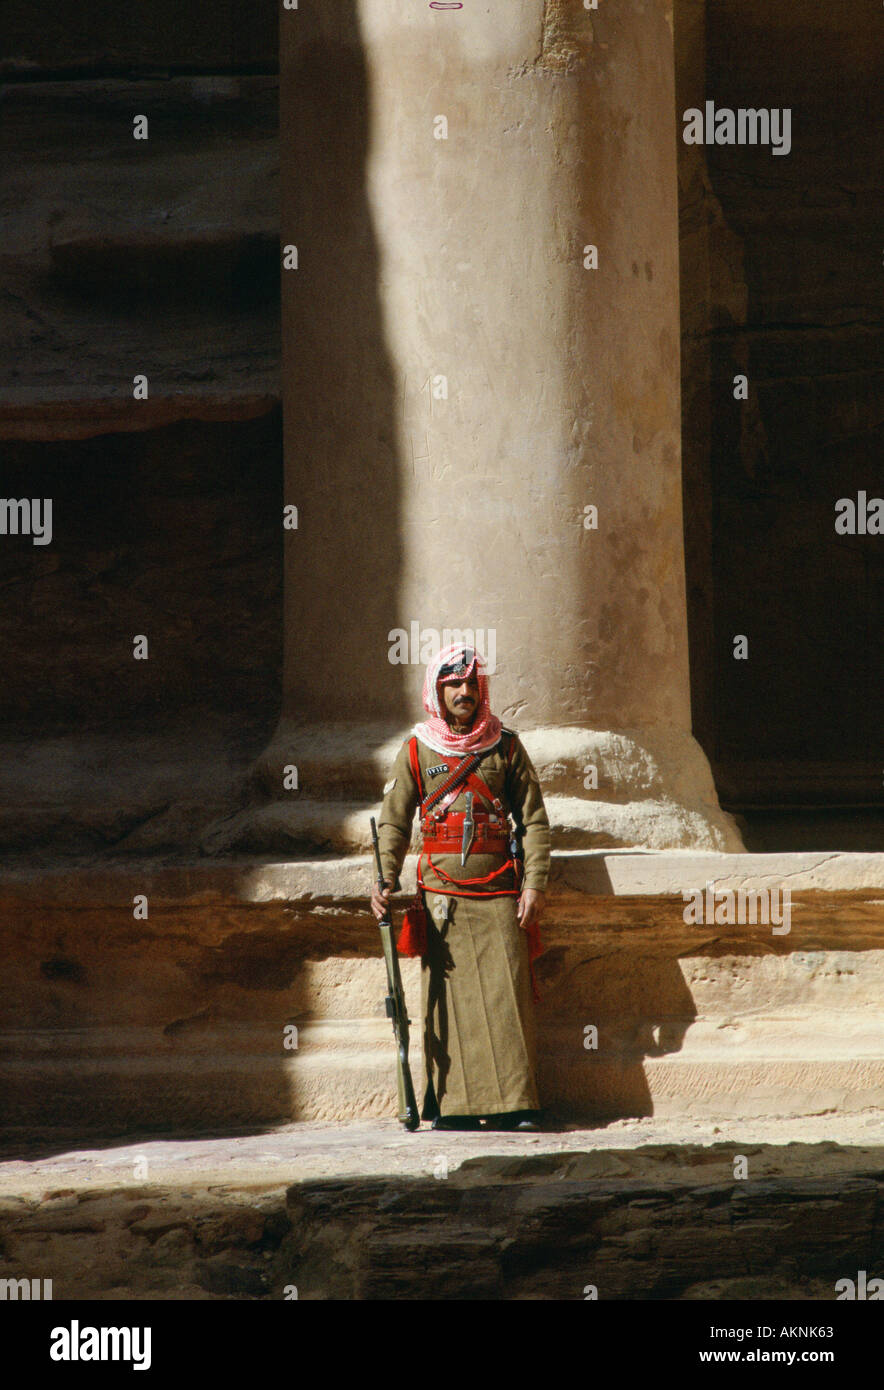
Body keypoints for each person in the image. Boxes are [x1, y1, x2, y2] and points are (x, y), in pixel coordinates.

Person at [371, 642, 550, 1131]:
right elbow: (393, 825)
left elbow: (533, 822)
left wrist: (534, 885)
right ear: (437, 689)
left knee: (506, 1001)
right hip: (442, 899)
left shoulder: (507, 746)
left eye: (472, 683)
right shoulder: (415, 749)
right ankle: (453, 1109)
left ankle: (517, 1104)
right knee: (446, 1005)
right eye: (454, 684)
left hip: (500, 897)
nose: (464, 692)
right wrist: (384, 880)